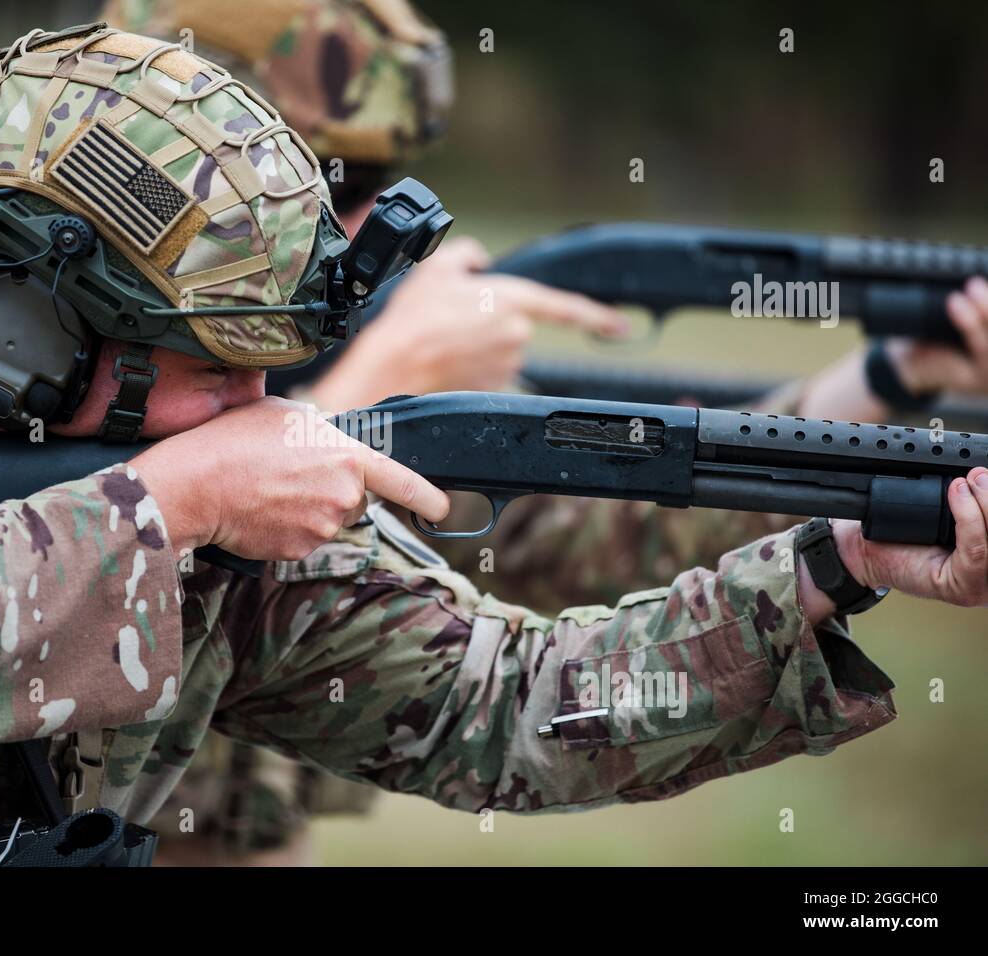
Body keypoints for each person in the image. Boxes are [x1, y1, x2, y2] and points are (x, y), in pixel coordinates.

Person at [0, 23, 986, 869]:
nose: (262, 414)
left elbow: (514, 704)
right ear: (26, 341)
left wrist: (833, 561)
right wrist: (174, 493)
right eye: (216, 376)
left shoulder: (198, 508)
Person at [107, 0, 988, 863]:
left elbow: (541, 643)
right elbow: (111, 543)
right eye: (323, 184)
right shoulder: (6, 493)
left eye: (375, 184)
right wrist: (378, 386)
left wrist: (871, 442)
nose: (355, 231)